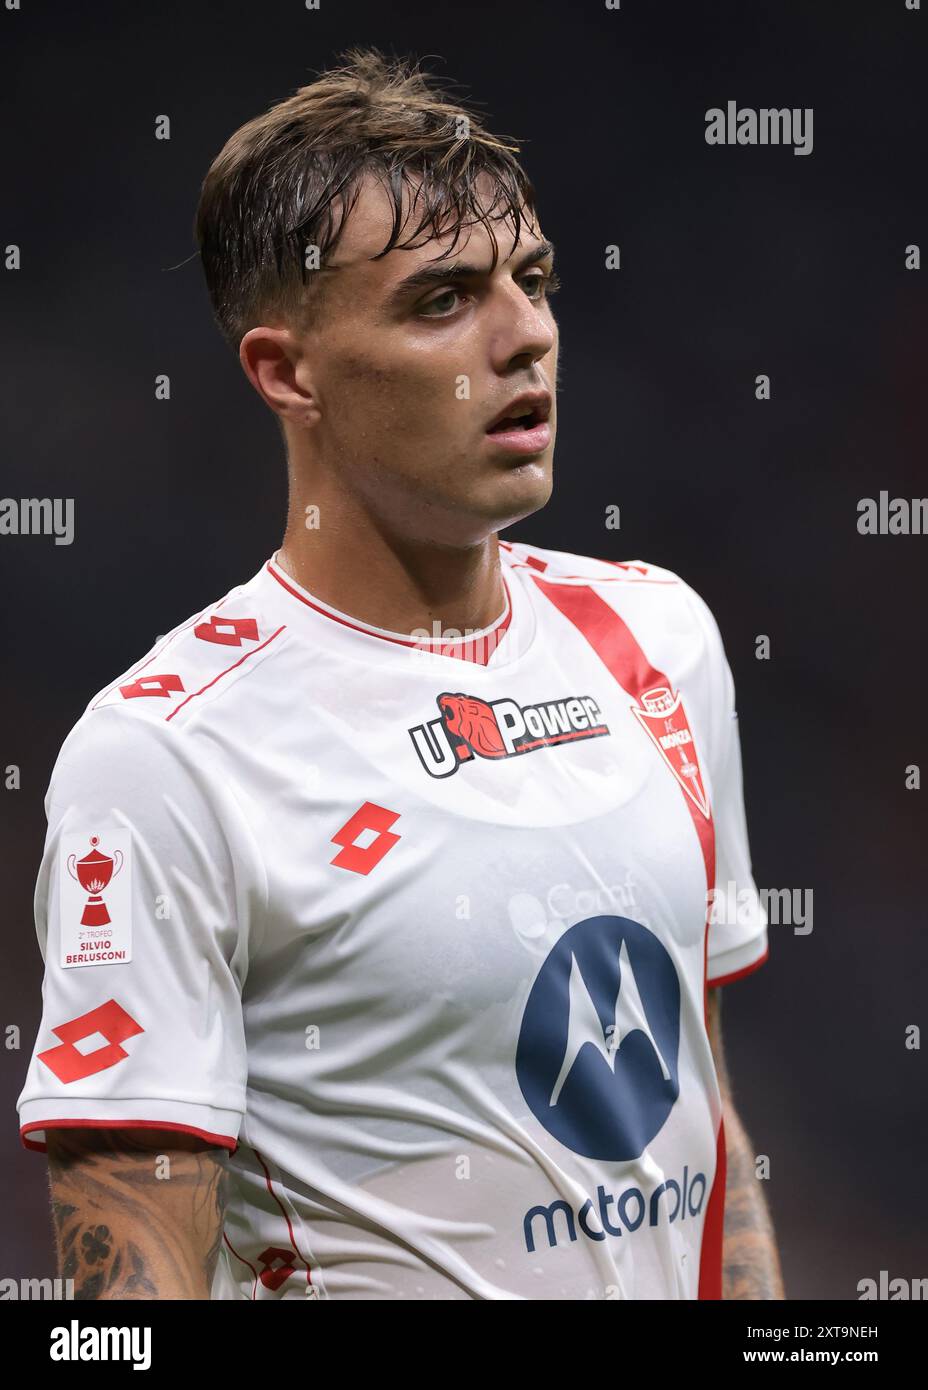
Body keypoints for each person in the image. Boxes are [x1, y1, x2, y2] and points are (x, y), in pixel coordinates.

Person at [17, 47, 783, 1300]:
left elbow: (703, 1120)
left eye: (530, 280)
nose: (525, 332)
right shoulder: (166, 754)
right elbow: (120, 1310)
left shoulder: (661, 638)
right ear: (286, 371)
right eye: (443, 300)